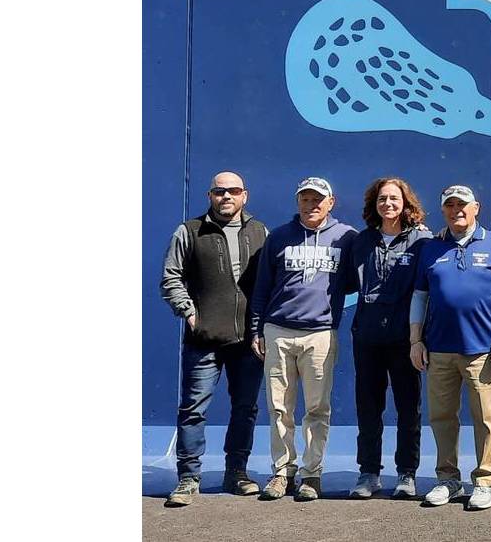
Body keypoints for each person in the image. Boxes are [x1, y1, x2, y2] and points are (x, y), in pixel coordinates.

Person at [160, 172, 269, 507]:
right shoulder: (189, 231)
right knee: (193, 409)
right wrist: (190, 313)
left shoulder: (260, 232)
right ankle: (188, 478)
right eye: (219, 191)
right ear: (210, 195)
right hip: (203, 340)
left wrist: (262, 327)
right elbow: (170, 277)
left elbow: (268, 283)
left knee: (245, 409)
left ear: (244, 196)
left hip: (247, 342)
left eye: (233, 191)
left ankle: (236, 473)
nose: (226, 197)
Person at [249, 176, 357, 501]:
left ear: (330, 202)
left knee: (317, 408)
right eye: (305, 199)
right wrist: (256, 329)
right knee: (279, 408)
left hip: (320, 333)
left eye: (317, 199)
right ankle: (282, 472)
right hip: (278, 331)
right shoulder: (279, 236)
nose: (311, 205)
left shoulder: (346, 237)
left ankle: (311, 474)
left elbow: (355, 280)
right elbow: (262, 286)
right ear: (298, 202)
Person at [410, 185, 491, 510]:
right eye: (450, 205)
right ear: (443, 210)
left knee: (486, 419)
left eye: (462, 205)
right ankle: (448, 479)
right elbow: (419, 298)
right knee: (442, 418)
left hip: (482, 351)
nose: (456, 210)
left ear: (476, 208)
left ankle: (484, 481)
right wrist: (415, 340)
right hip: (439, 350)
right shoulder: (431, 248)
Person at [346, 178, 431, 499]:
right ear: (374, 204)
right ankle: (369, 473)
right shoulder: (361, 241)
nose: (388, 204)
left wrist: (419, 337)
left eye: (394, 198)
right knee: (369, 408)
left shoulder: (422, 241)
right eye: (382, 199)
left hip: (405, 338)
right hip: (368, 338)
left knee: (409, 409)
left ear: (405, 203)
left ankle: (407, 473)